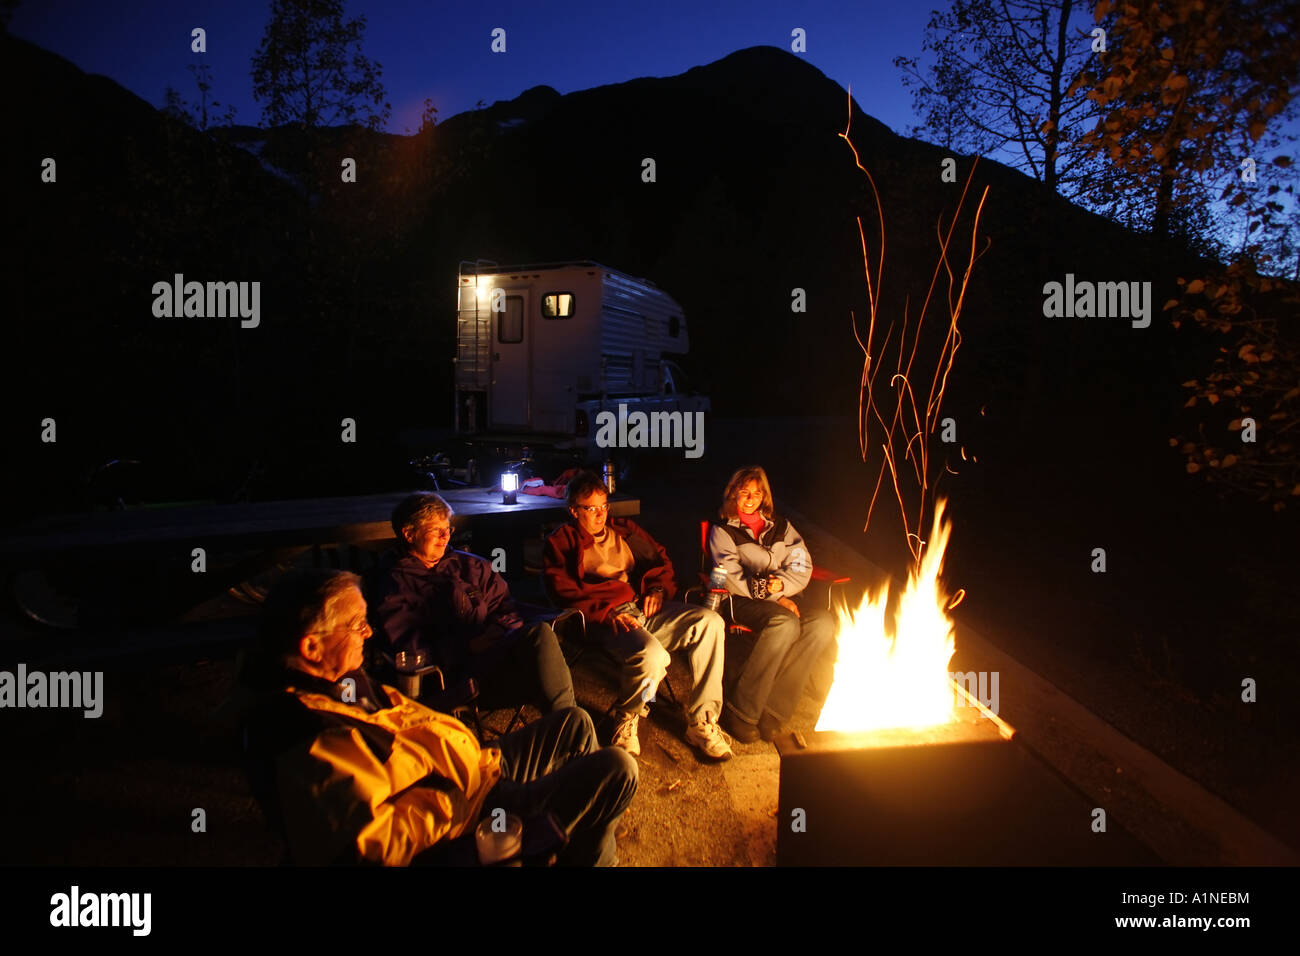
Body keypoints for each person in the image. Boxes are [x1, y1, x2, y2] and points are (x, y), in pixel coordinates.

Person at [243, 568, 637, 866]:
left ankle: (580, 854)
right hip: (473, 812)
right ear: (311, 646)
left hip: (478, 765)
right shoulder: (312, 736)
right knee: (616, 768)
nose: (368, 633)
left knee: (575, 721)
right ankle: (577, 852)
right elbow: (372, 846)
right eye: (357, 624)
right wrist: (456, 797)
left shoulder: (345, 679)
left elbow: (410, 724)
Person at [543, 471, 732, 761]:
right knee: (652, 655)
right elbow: (562, 590)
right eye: (590, 508)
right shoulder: (562, 541)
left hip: (643, 607)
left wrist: (657, 587)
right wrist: (604, 613)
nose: (599, 514)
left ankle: (702, 722)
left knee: (711, 623)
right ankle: (628, 715)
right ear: (573, 510)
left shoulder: (624, 530)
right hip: (606, 618)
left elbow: (661, 559)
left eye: (603, 506)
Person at [365, 492, 576, 714]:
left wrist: (499, 629)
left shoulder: (472, 567)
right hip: (450, 680)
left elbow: (506, 607)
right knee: (541, 645)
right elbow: (408, 650)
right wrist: (467, 645)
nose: (445, 537)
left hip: (495, 659)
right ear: (409, 534)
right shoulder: (393, 584)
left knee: (541, 641)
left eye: (448, 529)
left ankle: (568, 725)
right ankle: (568, 726)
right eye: (436, 530)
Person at [708, 466, 837, 742]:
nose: (751, 498)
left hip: (785, 596)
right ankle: (741, 711)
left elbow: (801, 563)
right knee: (785, 623)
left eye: (757, 492)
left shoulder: (781, 527)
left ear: (764, 496)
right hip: (741, 601)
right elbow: (730, 575)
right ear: (733, 495)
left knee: (823, 624)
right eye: (744, 493)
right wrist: (775, 595)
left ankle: (774, 710)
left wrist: (783, 586)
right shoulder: (723, 531)